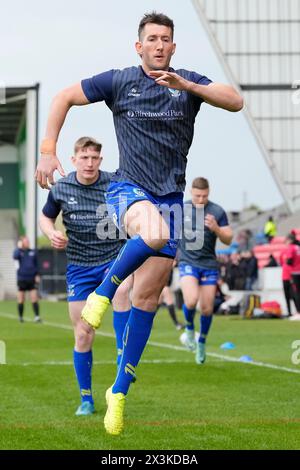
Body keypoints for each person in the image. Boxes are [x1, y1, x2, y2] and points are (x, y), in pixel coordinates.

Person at [35, 12, 243, 434]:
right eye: (152, 39)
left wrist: (189, 86)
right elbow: (62, 98)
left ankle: (119, 390)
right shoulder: (119, 81)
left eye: (166, 39)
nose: (160, 45)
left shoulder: (187, 82)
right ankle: (103, 294)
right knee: (155, 233)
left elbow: (236, 100)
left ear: (174, 46)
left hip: (170, 198)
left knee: (147, 302)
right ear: (139, 46)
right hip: (128, 189)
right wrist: (47, 149)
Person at [39, 136, 133, 416]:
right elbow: (45, 217)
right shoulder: (62, 188)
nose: (89, 163)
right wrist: (51, 232)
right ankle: (87, 399)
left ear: (100, 161)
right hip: (79, 268)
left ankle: (122, 358)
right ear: (74, 160)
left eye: (94, 158)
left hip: (111, 260)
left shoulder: (113, 182)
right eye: (84, 158)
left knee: (124, 289)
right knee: (83, 335)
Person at [178, 177, 233, 364]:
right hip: (188, 262)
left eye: (204, 196)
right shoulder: (182, 209)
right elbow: (170, 232)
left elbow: (229, 239)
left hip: (209, 264)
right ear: (191, 193)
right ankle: (189, 328)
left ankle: (201, 342)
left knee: (208, 308)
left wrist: (216, 228)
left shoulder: (217, 211)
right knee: (191, 300)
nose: (201, 200)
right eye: (197, 196)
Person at [13, 236, 41, 323]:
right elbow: (14, 257)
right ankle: (20, 317)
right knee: (21, 299)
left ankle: (37, 317)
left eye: (28, 241)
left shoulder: (33, 252)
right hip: (22, 279)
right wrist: (19, 247)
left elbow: (37, 265)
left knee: (34, 298)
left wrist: (37, 275)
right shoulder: (18, 252)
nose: (28, 242)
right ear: (22, 242)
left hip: (31, 278)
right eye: (25, 241)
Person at [157, 263, 184, 330]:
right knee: (169, 301)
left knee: (157, 303)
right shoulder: (166, 262)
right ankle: (177, 324)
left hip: (164, 285)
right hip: (164, 285)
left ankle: (146, 321)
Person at [279, 233, 297, 317]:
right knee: (286, 296)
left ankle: (297, 311)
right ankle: (289, 312)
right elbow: (282, 263)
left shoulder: (293, 250)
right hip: (284, 276)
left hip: (292, 275)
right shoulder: (282, 252)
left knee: (294, 295)